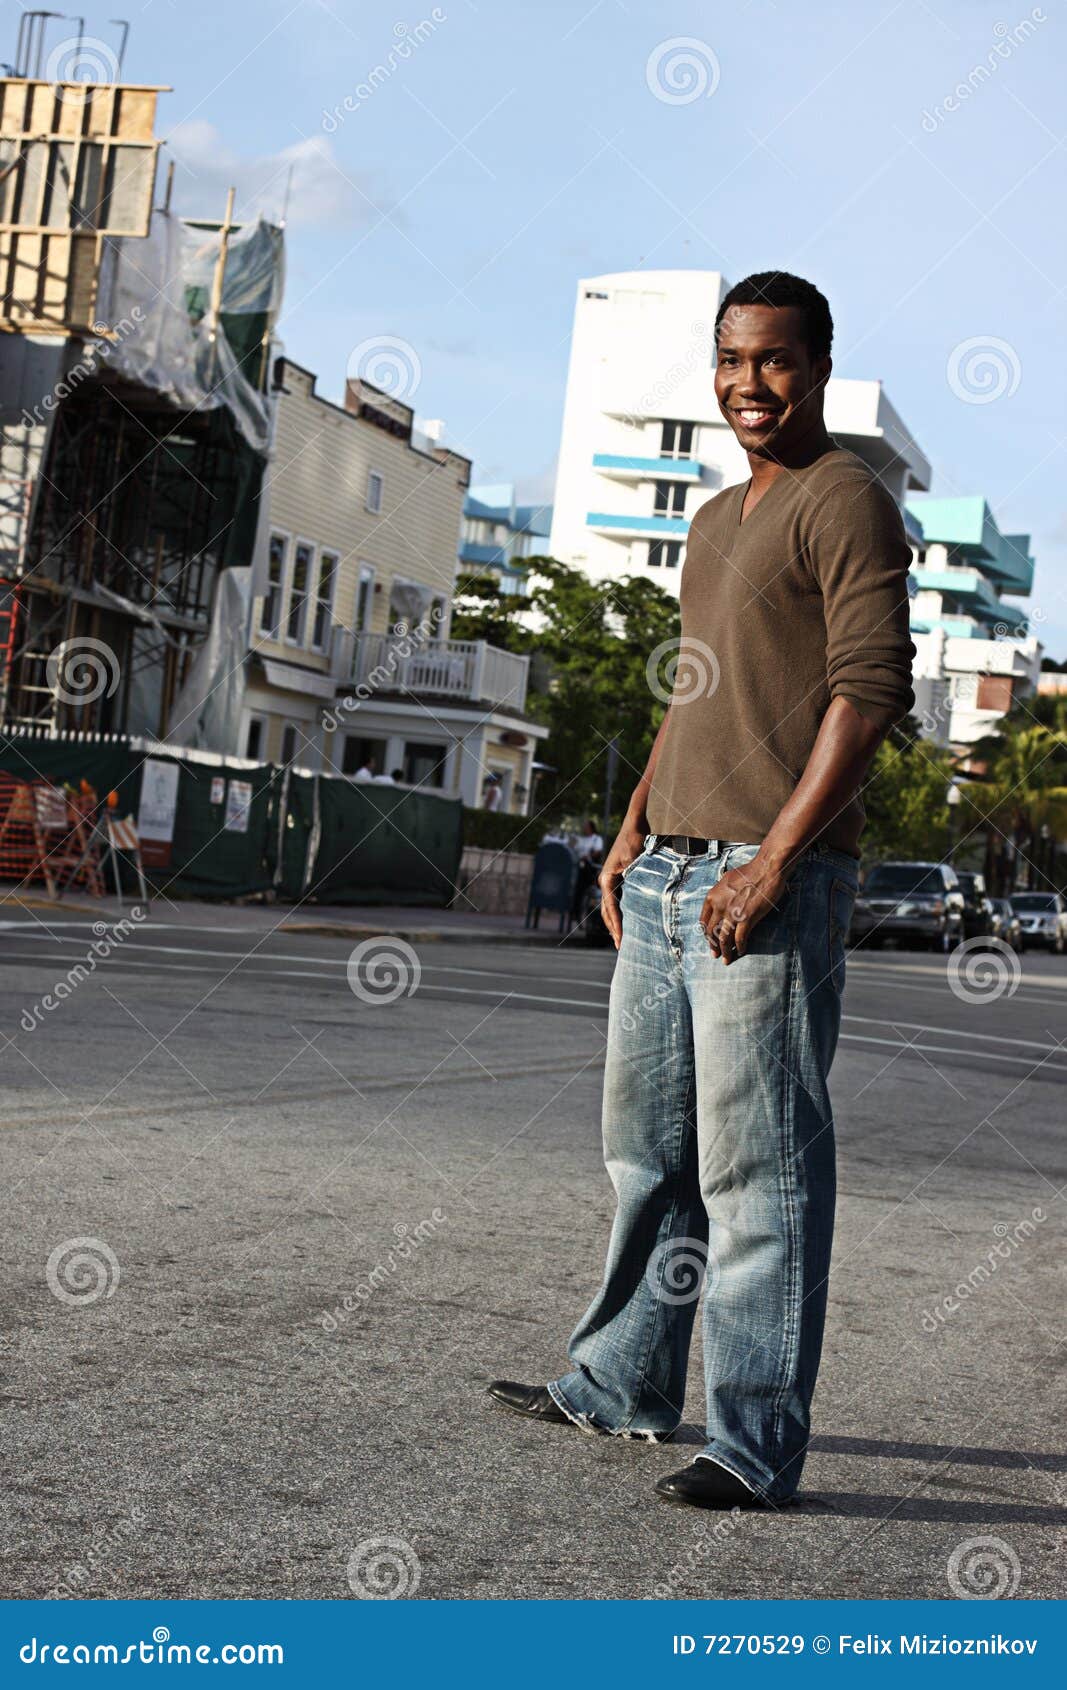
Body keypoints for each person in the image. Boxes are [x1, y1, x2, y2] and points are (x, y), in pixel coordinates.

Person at [488, 272, 914, 1511]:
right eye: (729, 359)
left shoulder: (848, 503)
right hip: (669, 868)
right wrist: (627, 832)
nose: (746, 382)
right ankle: (618, 1380)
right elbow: (691, 694)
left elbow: (867, 692)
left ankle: (755, 1440)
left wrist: (772, 859)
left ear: (818, 364)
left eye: (772, 360)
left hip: (764, 884)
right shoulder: (715, 516)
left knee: (760, 1171)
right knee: (648, 1154)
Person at [572, 818, 605, 919]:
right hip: (579, 867)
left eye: (586, 826)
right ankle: (575, 912)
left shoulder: (596, 839)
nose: (584, 828)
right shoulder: (581, 839)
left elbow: (597, 852)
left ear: (591, 828)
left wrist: (588, 856)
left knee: (589, 891)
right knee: (578, 891)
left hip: (589, 869)